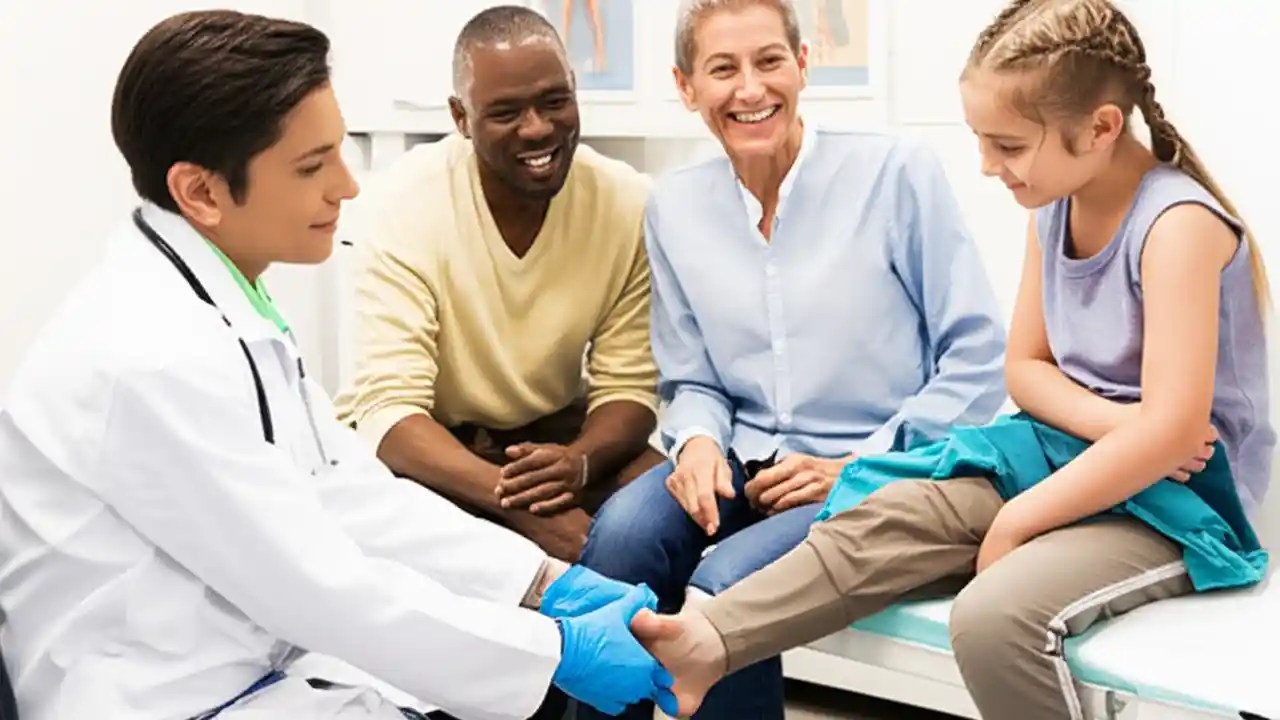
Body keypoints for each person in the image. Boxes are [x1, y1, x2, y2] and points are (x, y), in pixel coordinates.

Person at [0, 11, 677, 720]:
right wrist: (555, 650)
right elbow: (316, 585)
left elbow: (345, 492)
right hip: (165, 696)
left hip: (254, 667)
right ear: (201, 192)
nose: (347, 188)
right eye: (312, 165)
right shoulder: (147, 356)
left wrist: (542, 582)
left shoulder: (225, 301)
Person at [629, 1, 1275, 719]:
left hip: (1178, 505)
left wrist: (1021, 518)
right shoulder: (1056, 206)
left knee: (995, 619)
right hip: (1065, 455)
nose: (988, 166)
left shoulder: (1178, 227)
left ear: (1100, 129)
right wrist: (1124, 425)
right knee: (877, 515)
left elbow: (1175, 439)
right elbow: (1024, 372)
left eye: (1007, 145)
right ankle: (708, 642)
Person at [577, 0, 1007, 717]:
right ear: (687, 87)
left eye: (769, 61)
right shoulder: (674, 207)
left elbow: (976, 356)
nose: (750, 89)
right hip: (742, 461)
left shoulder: (895, 174)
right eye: (723, 69)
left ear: (803, 66)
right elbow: (692, 377)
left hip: (872, 473)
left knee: (728, 588)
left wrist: (860, 464)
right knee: (618, 542)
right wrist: (700, 442)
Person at [334, 5, 663, 567]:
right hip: (432, 445)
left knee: (667, 503)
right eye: (506, 112)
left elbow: (629, 390)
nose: (537, 128)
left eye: (554, 101)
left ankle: (663, 650)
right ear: (461, 117)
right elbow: (390, 413)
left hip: (552, 441)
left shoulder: (627, 202)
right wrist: (520, 508)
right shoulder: (401, 204)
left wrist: (579, 463)